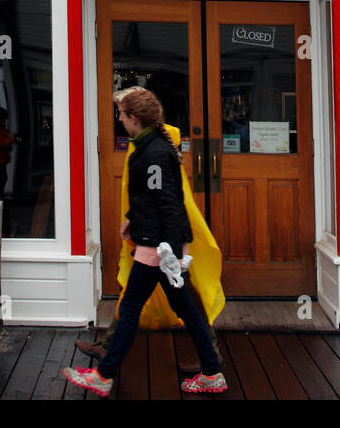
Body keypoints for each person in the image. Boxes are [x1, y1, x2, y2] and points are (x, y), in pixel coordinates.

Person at [62, 88, 226, 396]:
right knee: (185, 310)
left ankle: (104, 374)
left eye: (122, 115)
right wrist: (132, 219)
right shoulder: (156, 146)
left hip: (156, 247)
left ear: (134, 118)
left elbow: (167, 202)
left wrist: (172, 250)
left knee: (131, 309)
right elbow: (152, 198)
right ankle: (212, 372)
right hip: (161, 245)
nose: (119, 119)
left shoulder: (152, 153)